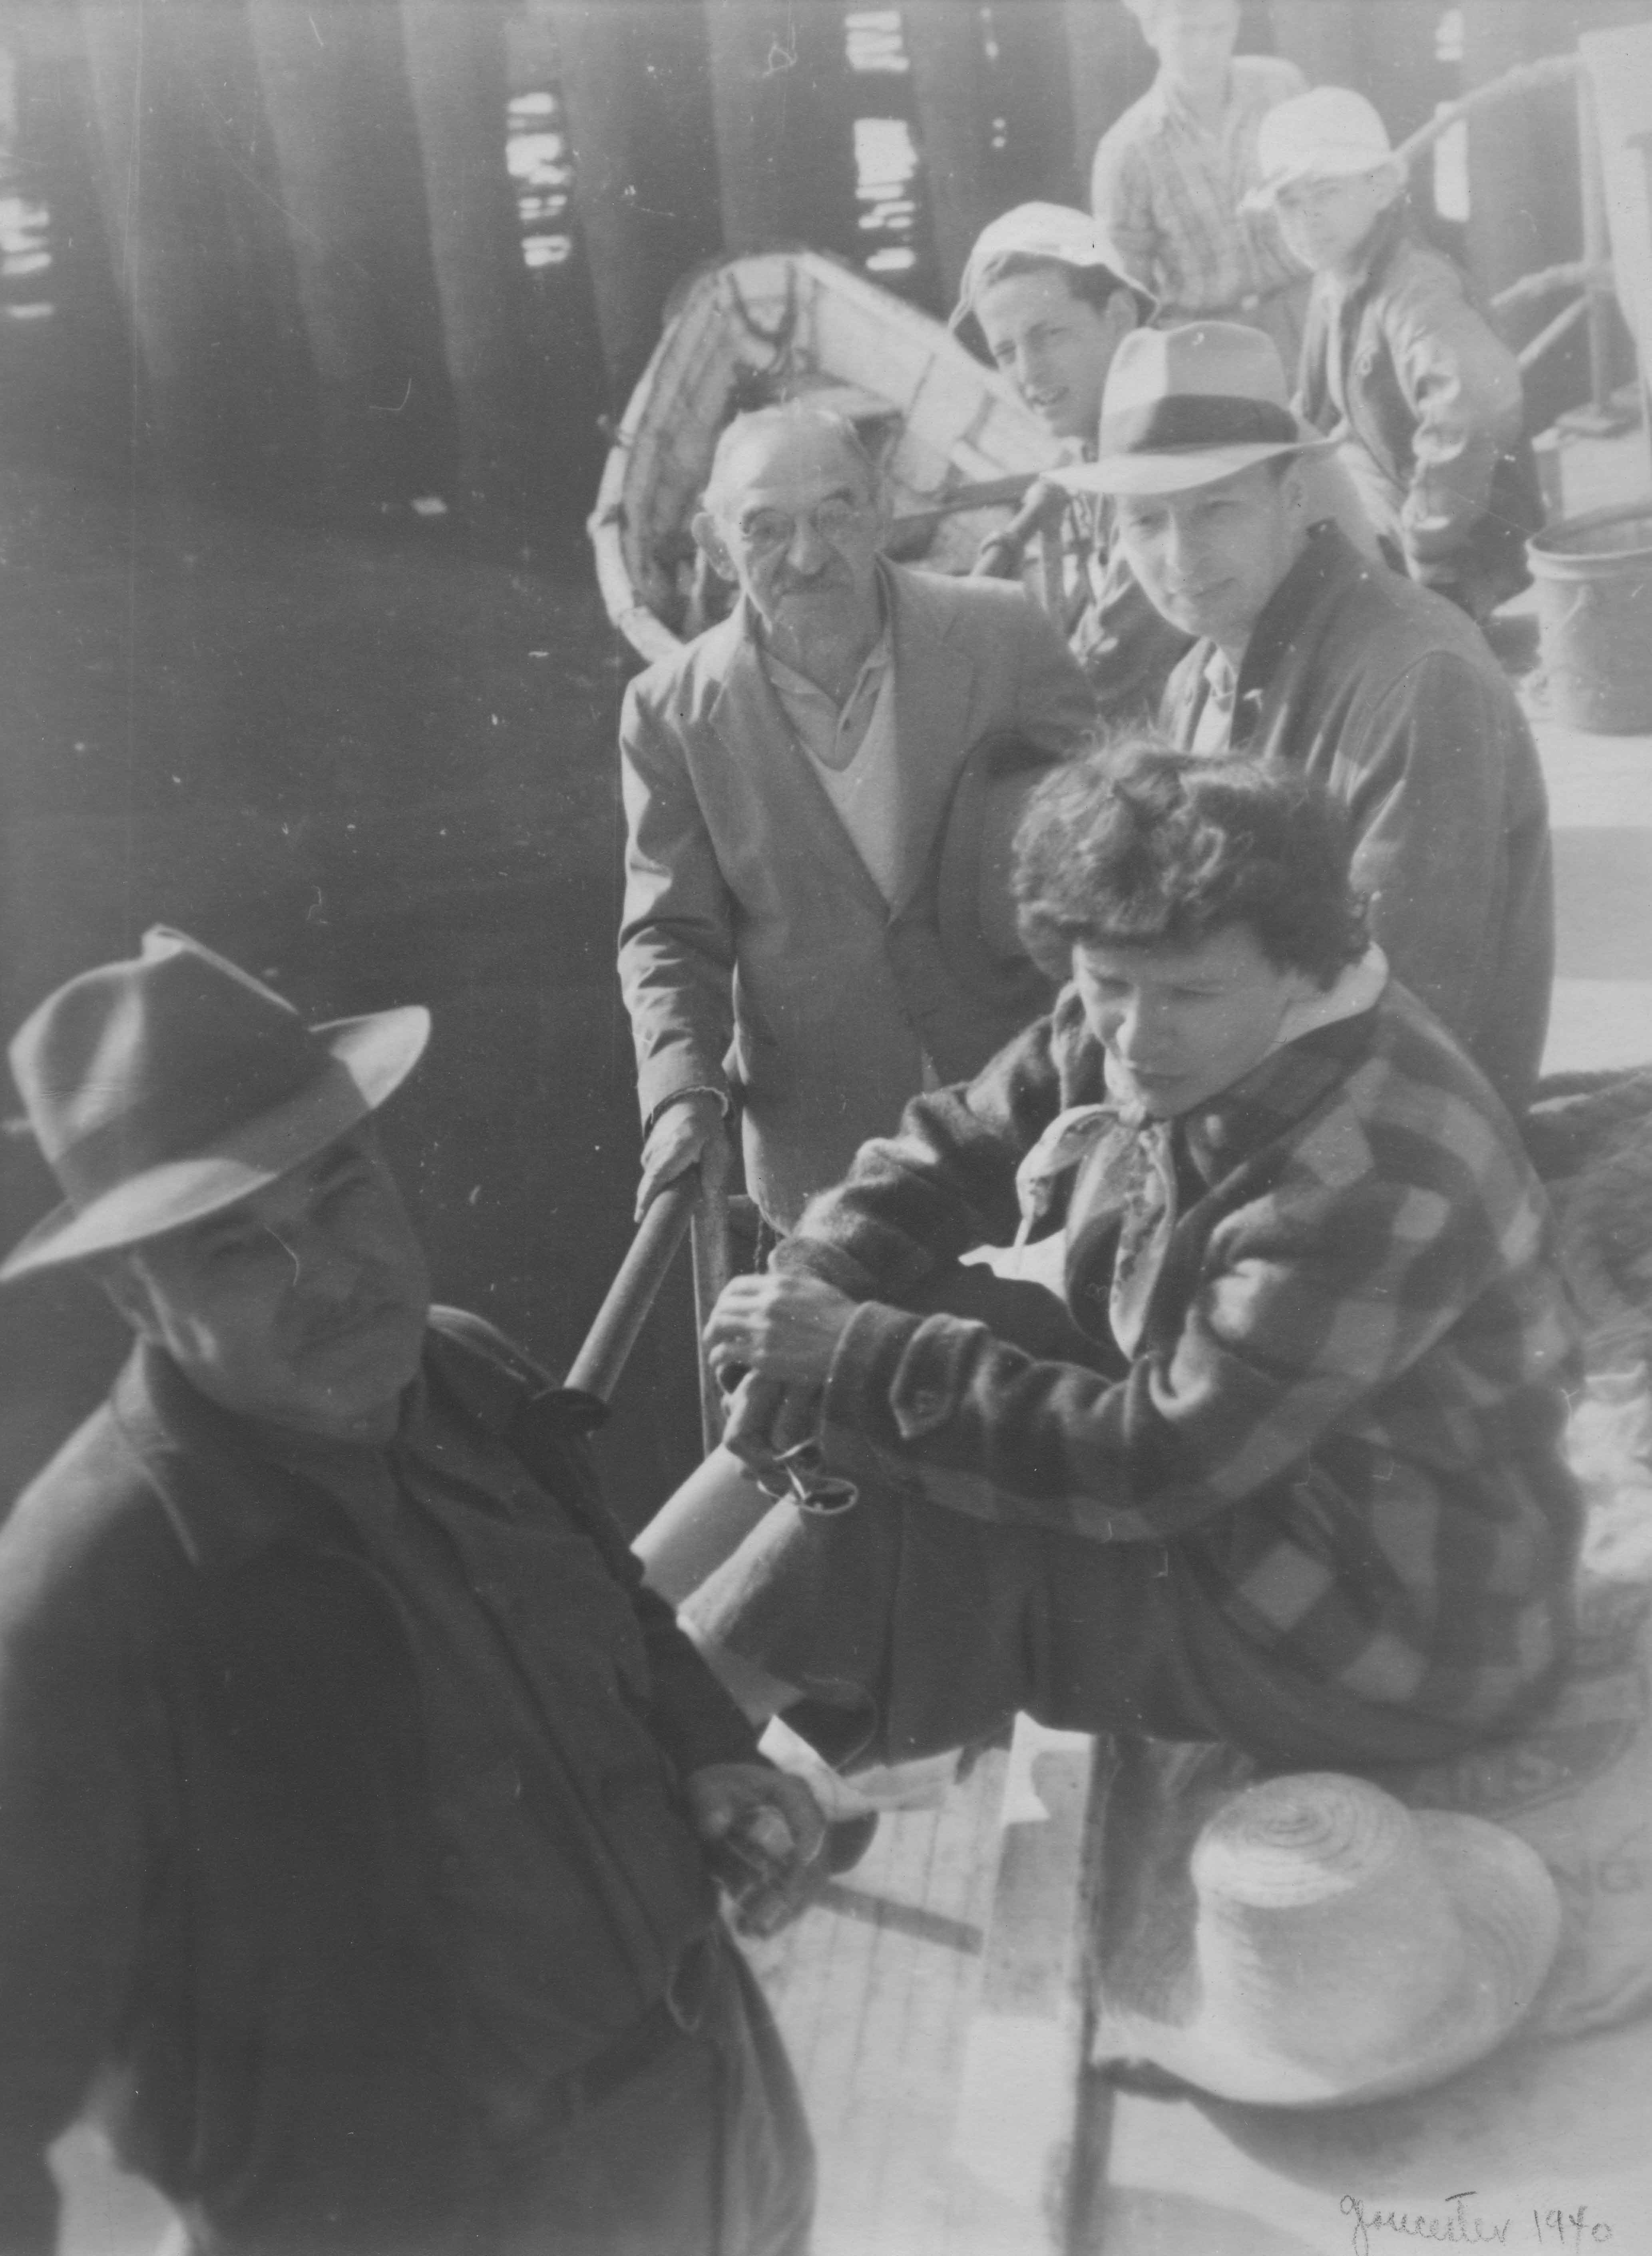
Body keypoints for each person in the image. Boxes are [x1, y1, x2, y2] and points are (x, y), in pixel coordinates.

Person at [0, 927, 821, 2256]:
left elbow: (614, 1602)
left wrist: (707, 1749)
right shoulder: (85, 1595)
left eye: (339, 1192)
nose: (324, 1273)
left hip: (719, 2096)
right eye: (230, 1250)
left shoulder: (461, 1372)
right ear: (132, 1295)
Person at [673, 748, 1582, 1785]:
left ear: (1302, 962)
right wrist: (820, 1280)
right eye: (1105, 985)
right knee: (895, 1325)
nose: (1135, 1037)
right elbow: (957, 1144)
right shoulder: (1157, 984)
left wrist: (854, 1354)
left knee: (906, 1493)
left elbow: (1157, 1463)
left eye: (1187, 994)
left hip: (1388, 1624)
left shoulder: (1372, 1168)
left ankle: (661, 1744)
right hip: (1263, 1477)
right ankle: (650, 1634)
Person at [618, 401, 1095, 1232]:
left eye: (836, 513)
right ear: (714, 545)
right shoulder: (668, 712)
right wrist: (681, 1096)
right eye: (764, 527)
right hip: (824, 1148)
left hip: (1025, 1101)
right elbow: (670, 934)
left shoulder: (1004, 631)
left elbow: (1106, 839)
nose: (806, 555)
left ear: (882, 509)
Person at [1066, 318, 1554, 1116]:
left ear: (1291, 499)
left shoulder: (1416, 677)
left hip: (1402, 1156)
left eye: (1216, 508)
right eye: (1146, 521)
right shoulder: (1199, 676)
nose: (1180, 557)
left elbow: (1403, 1011)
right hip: (1268, 1120)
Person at [1249, 85, 1543, 624]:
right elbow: (1310, 414)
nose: (1305, 218)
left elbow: (1478, 407)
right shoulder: (1335, 277)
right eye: (1289, 203)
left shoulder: (1414, 288)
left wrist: (1427, 541)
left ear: (1381, 187)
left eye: (1326, 192)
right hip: (1394, 494)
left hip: (1466, 545)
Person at [951, 201, 1197, 722]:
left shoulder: (1164, 437)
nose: (1029, 374)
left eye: (1049, 336)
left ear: (1119, 316)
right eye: (1006, 353)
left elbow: (1107, 677)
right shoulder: (1105, 428)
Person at [1090, 0, 1310, 371]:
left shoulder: (1282, 88)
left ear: (1237, 24)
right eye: (1187, 31)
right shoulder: (1125, 151)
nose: (1205, 49)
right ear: (1151, 30)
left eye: (1218, 29)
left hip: (1308, 318)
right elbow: (1129, 296)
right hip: (1206, 348)